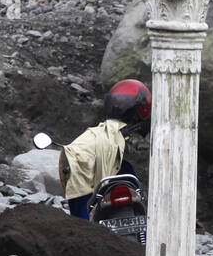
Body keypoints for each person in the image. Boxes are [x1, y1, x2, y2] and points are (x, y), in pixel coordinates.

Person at [59, 79, 151, 219]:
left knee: (80, 216)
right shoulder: (117, 134)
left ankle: (83, 227)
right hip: (89, 171)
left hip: (79, 169)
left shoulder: (98, 133)